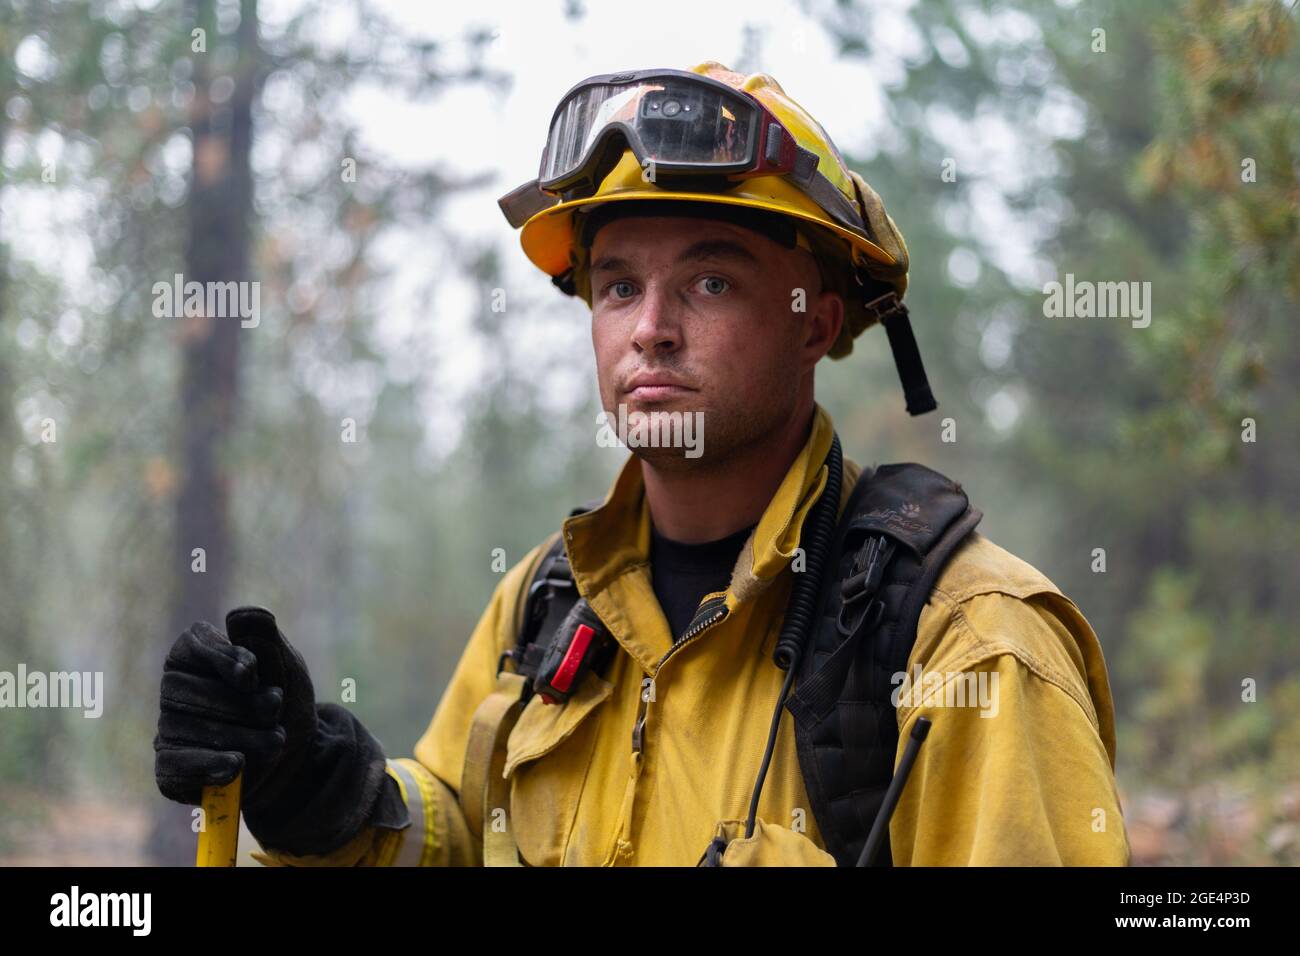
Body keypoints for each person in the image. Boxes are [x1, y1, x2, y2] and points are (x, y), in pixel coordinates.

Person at [155, 61, 1130, 867]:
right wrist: (317, 789)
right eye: (618, 285)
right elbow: (456, 822)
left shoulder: (965, 643)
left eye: (710, 280)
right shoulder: (547, 602)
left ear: (817, 322)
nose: (650, 331)